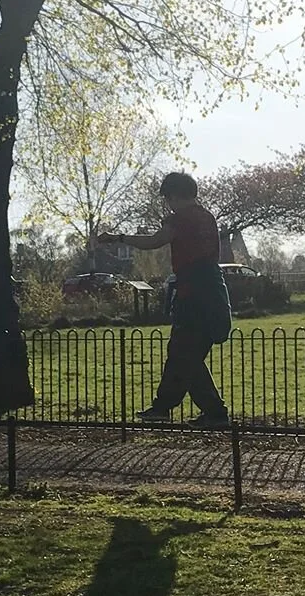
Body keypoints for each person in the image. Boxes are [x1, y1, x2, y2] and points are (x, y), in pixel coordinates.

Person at [99, 171, 232, 426]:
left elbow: (154, 242)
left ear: (173, 195)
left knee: (185, 355)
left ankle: (213, 413)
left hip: (193, 294)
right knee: (184, 354)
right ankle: (165, 408)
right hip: (214, 291)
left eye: (168, 198)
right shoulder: (207, 217)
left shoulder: (180, 219)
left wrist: (119, 238)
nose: (167, 204)